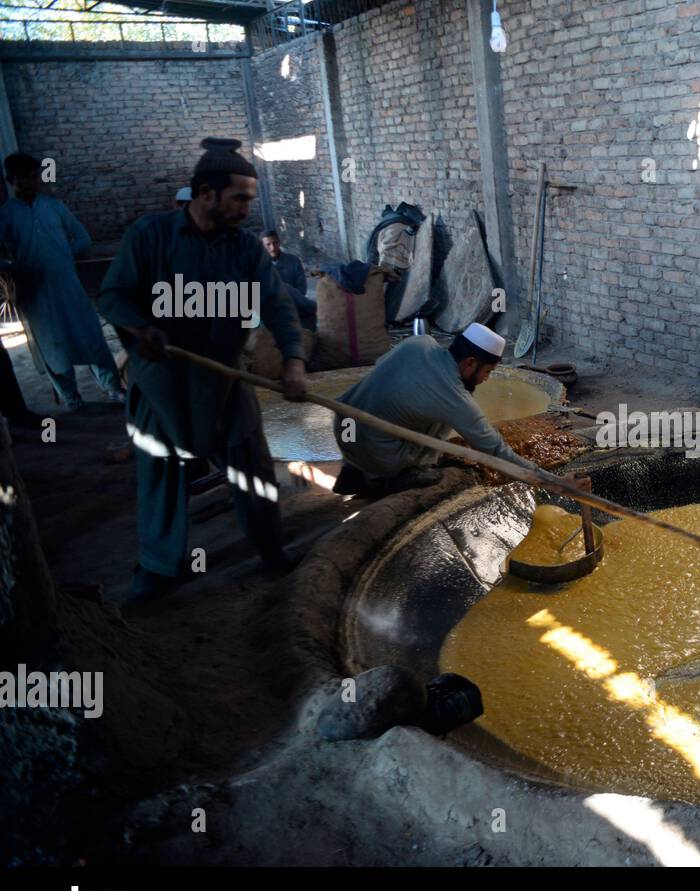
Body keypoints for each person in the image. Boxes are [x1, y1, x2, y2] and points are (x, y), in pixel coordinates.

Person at [98, 137, 308, 603]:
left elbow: (278, 306)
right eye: (240, 198)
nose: (246, 209)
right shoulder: (150, 236)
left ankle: (271, 550)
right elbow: (112, 295)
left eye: (249, 200)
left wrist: (293, 362)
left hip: (225, 381)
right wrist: (138, 328)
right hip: (162, 383)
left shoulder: (246, 250)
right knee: (160, 473)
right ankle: (159, 567)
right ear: (206, 193)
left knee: (252, 471)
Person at [331, 322, 589, 497]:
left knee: (398, 404)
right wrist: (557, 484)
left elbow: (380, 366)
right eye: (487, 371)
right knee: (441, 426)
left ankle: (353, 470)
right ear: (469, 363)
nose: (486, 379)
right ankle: (391, 478)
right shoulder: (454, 399)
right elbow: (498, 453)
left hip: (345, 427)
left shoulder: (419, 343)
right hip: (375, 453)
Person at [0, 153, 125, 409]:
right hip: (35, 291)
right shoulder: (7, 214)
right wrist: (15, 269)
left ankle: (112, 387)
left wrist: (63, 256)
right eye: (22, 178)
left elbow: (82, 238)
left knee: (89, 334)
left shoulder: (54, 207)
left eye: (33, 176)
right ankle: (71, 398)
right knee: (51, 344)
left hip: (67, 283)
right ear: (10, 181)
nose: (29, 182)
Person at [260, 229, 316, 330]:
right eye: (268, 244)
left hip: (294, 303)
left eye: (275, 243)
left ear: (279, 242)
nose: (272, 248)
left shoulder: (293, 261)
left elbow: (302, 290)